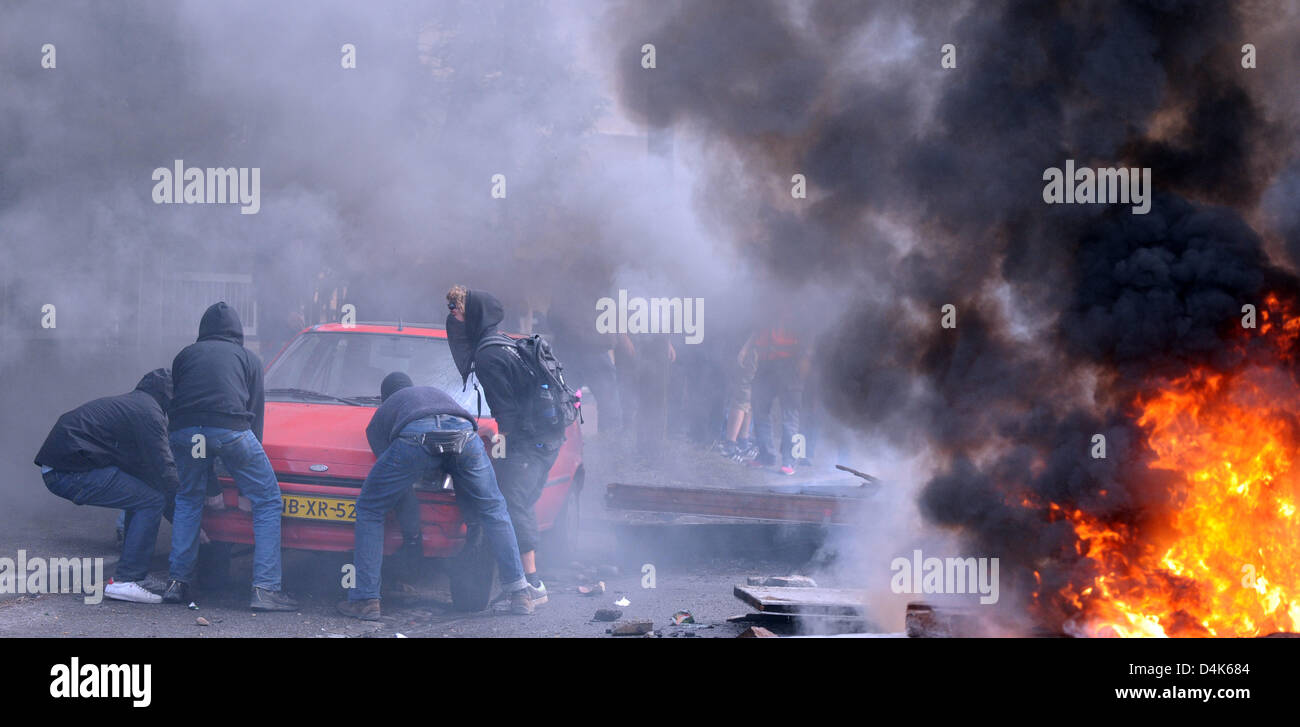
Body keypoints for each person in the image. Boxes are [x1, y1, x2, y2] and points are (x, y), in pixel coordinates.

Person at [338, 372, 533, 619]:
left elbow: (395, 481)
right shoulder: (434, 394)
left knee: (370, 509)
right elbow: (462, 430)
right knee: (494, 509)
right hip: (465, 436)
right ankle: (520, 593)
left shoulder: (386, 410)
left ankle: (365, 599)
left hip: (417, 438)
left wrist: (412, 529)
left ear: (384, 397)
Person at [164, 302, 297, 611]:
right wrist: (248, 485)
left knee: (188, 498)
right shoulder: (249, 359)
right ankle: (265, 589)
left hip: (184, 431)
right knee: (268, 500)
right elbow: (255, 413)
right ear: (237, 331)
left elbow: (180, 400)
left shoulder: (184, 355)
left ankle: (177, 582)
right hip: (230, 429)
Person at [445, 286, 560, 605]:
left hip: (531, 440)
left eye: (457, 310)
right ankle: (522, 580)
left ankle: (532, 585)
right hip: (543, 437)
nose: (452, 317)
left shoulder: (487, 355)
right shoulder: (500, 343)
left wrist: (498, 452)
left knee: (513, 501)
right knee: (516, 502)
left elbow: (506, 416)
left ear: (475, 315)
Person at [34, 369, 179, 603]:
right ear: (169, 396)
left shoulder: (134, 405)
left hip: (62, 467)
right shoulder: (149, 413)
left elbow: (148, 472)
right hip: (68, 472)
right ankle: (126, 579)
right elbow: (164, 468)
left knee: (142, 495)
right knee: (151, 500)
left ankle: (135, 575)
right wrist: (185, 518)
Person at [749, 314, 811, 475]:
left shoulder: (800, 312)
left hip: (790, 367)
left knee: (789, 416)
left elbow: (807, 340)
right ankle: (766, 455)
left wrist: (803, 364)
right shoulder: (766, 309)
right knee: (760, 409)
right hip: (766, 365)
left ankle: (789, 461)